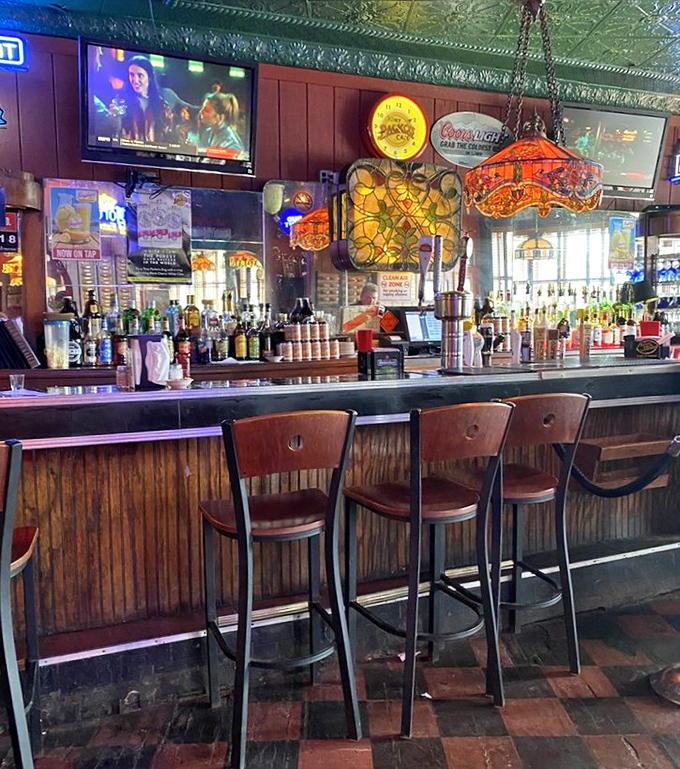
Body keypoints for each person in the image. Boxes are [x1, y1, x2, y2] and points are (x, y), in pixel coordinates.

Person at [120, 55, 169, 143]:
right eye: (132, 75)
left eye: (140, 75)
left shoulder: (162, 105)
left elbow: (169, 137)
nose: (135, 80)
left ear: (149, 77)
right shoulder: (121, 101)